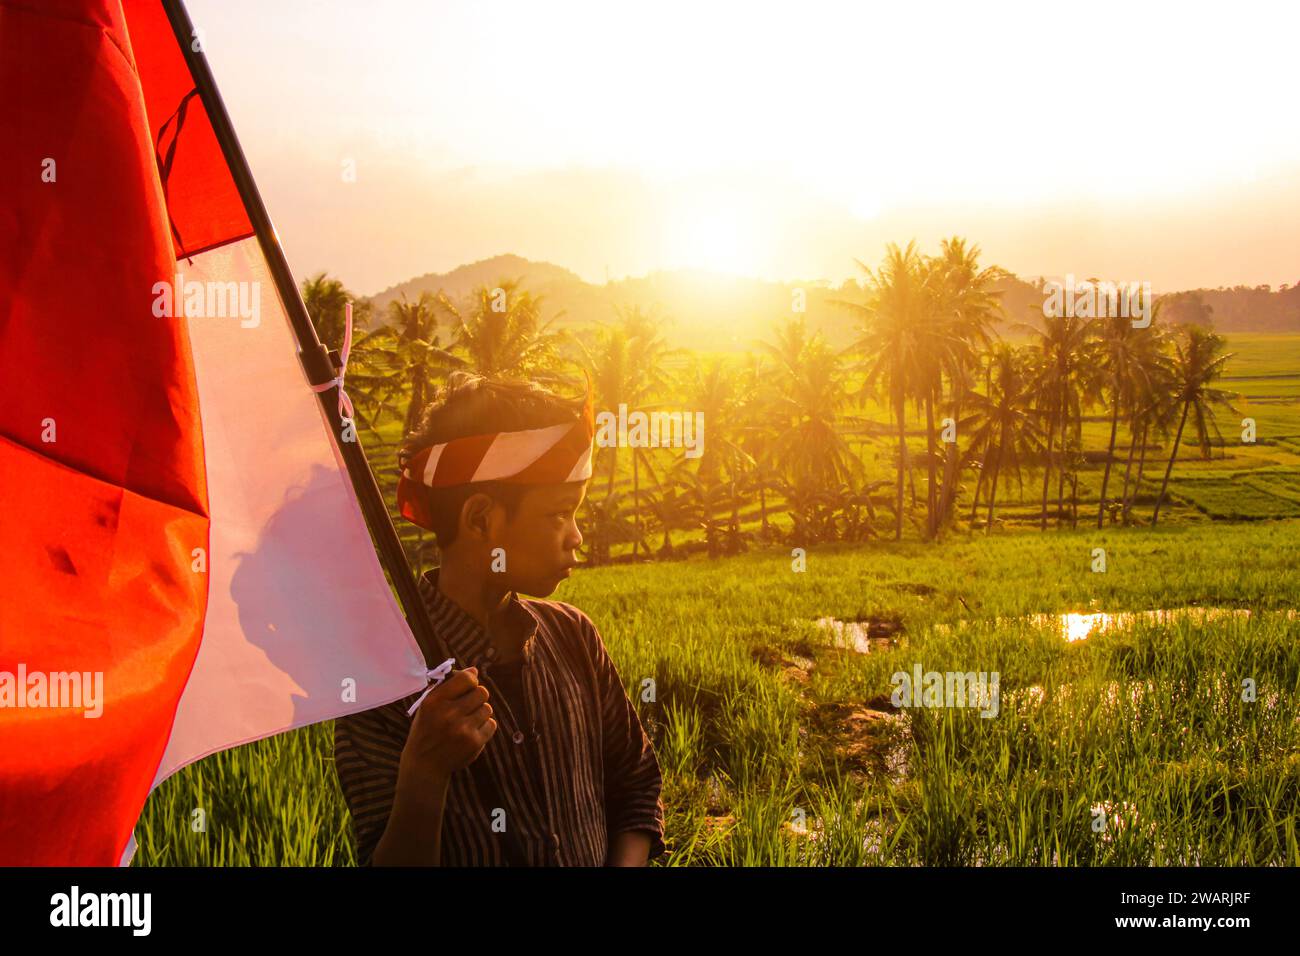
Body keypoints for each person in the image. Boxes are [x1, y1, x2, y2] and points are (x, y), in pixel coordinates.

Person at [333, 372, 665, 866]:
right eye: (558, 514)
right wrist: (425, 773)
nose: (576, 536)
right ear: (481, 519)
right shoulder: (379, 689)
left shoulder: (573, 636)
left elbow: (634, 783)